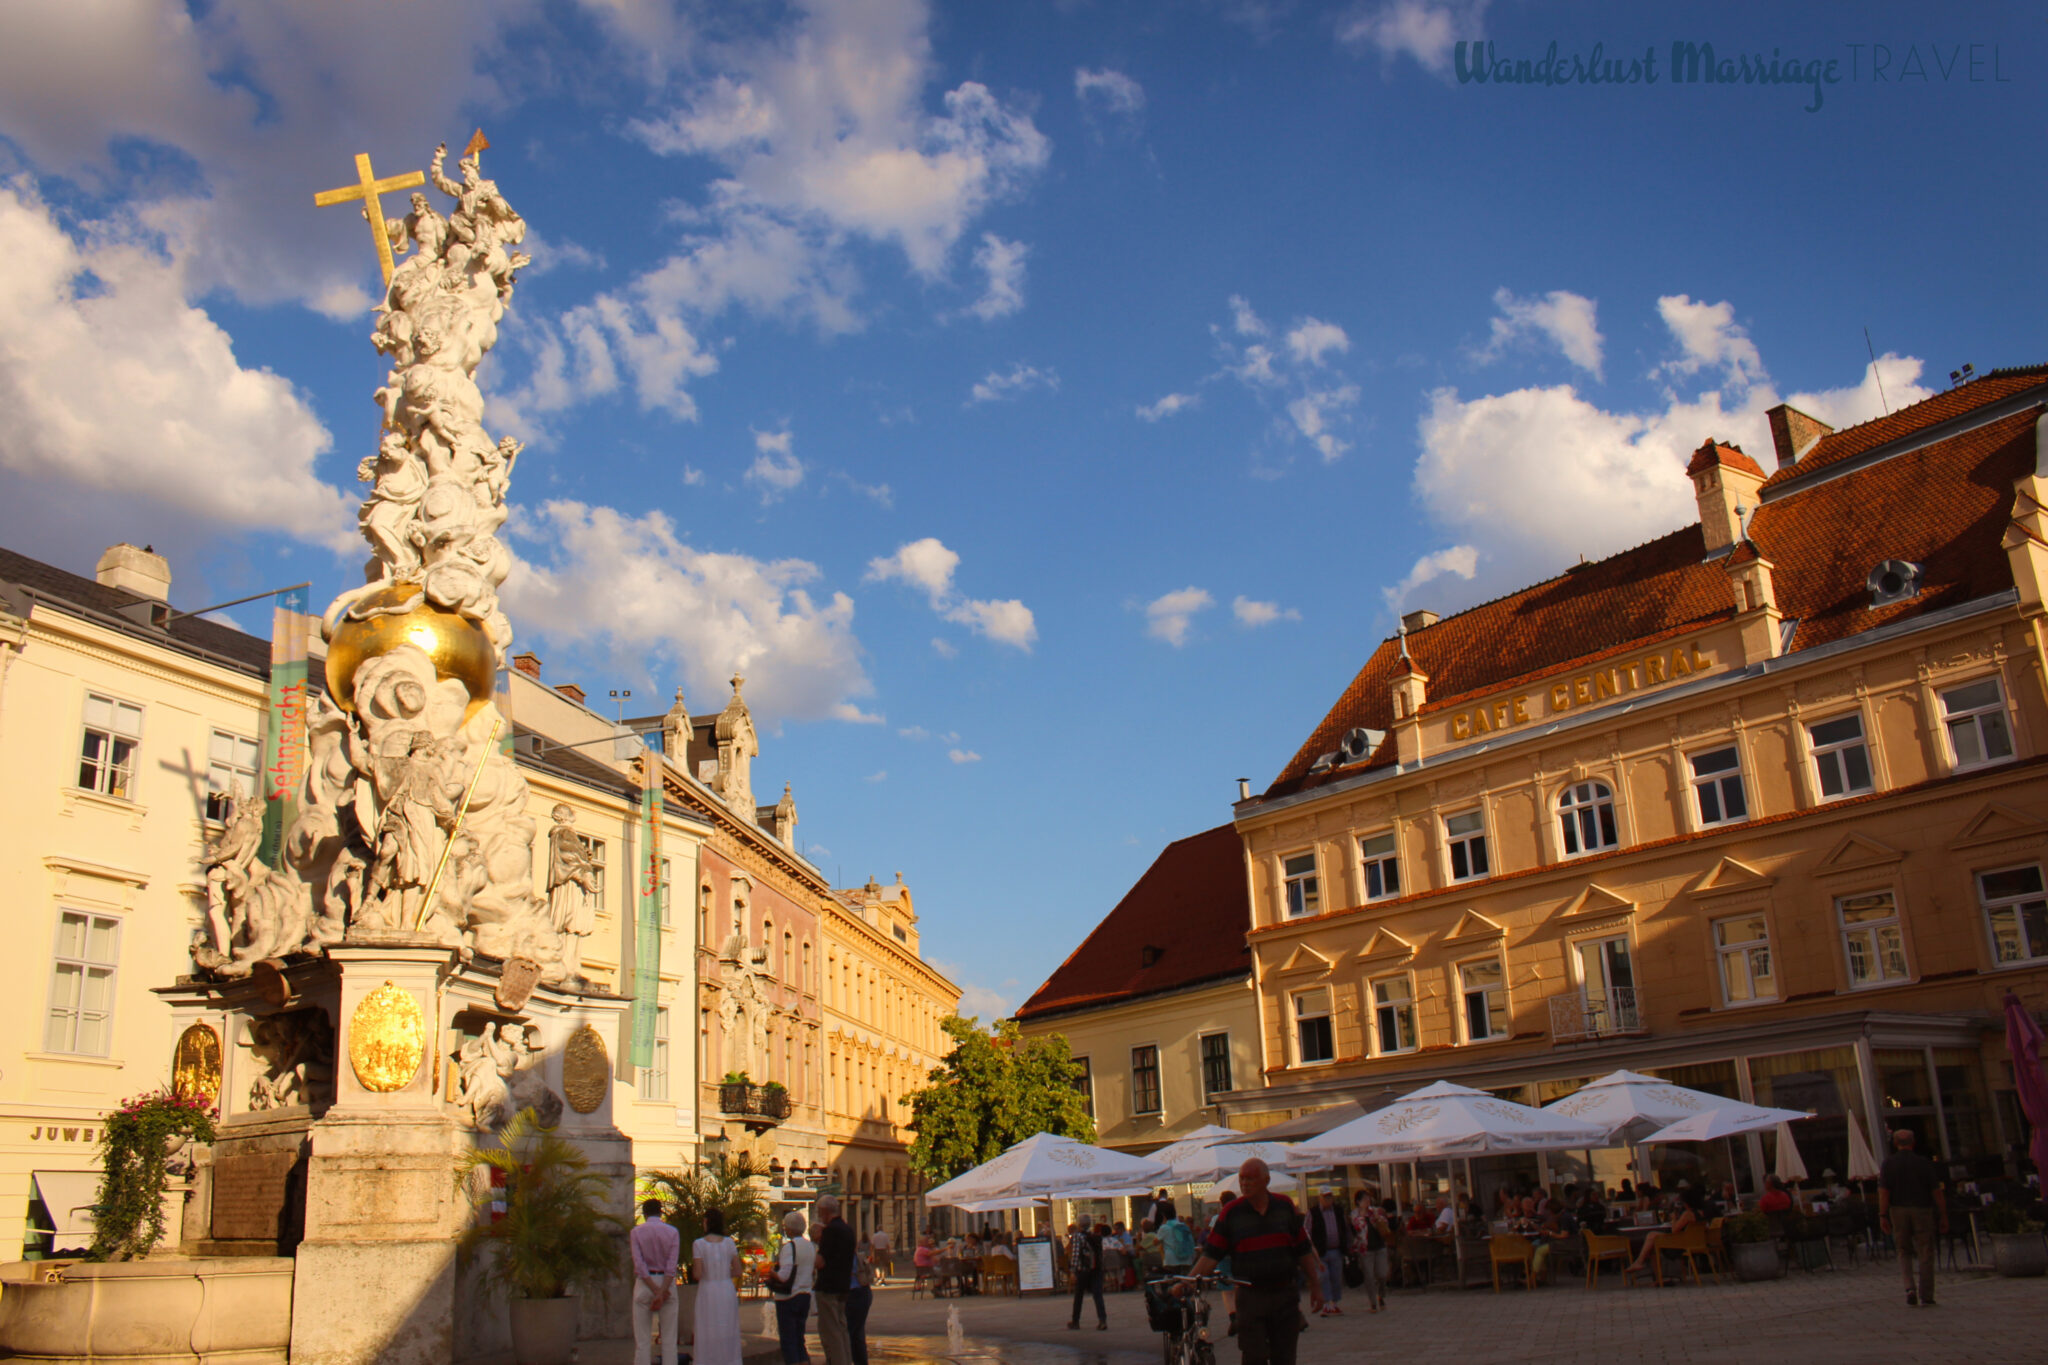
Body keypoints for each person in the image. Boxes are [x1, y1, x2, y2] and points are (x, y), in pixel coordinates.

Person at [1187, 1159, 1322, 1365]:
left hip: (1284, 1294)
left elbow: (1303, 1249)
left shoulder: (1284, 1206)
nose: (1245, 1183)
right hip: (1251, 1296)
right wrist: (1187, 1282)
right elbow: (1211, 1254)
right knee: (1253, 1356)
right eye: (1242, 1179)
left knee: (1285, 1357)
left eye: (1251, 1178)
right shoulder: (1232, 1212)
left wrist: (1315, 1285)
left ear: (1266, 1180)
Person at [1879, 1128, 1948, 1308]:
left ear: (1895, 1143)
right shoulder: (1923, 1163)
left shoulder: (1888, 1164)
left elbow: (1884, 1192)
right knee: (1925, 1250)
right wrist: (1943, 1215)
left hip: (1898, 1210)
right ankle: (1927, 1293)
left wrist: (1883, 1214)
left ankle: (1909, 1287)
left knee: (1903, 1249)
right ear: (1913, 1142)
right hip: (1922, 1209)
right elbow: (1936, 1192)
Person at [631, 1199, 682, 1365]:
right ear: (660, 1212)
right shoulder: (672, 1232)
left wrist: (654, 1290)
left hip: (645, 1284)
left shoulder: (636, 1232)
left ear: (644, 1214)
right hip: (667, 1284)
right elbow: (671, 1266)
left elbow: (639, 1265)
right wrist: (661, 1291)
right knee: (669, 1340)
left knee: (642, 1341)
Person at [691, 1207, 743, 1365]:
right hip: (726, 1288)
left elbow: (698, 1274)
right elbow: (738, 1271)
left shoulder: (699, 1244)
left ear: (706, 1222)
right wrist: (725, 1274)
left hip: (708, 1289)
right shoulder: (729, 1242)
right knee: (727, 1326)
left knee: (707, 1327)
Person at [813, 1196, 857, 1365]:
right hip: (844, 1285)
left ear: (825, 1211)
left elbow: (820, 1262)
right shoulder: (848, 1229)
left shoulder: (830, 1231)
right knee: (842, 1327)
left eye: (820, 1211)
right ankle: (846, 1360)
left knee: (831, 1331)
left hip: (828, 1286)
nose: (819, 1215)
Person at [770, 1210, 817, 1365]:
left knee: (788, 1340)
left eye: (785, 1226)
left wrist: (771, 1273)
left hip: (788, 1297)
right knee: (799, 1338)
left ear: (789, 1228)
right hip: (805, 1294)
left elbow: (784, 1275)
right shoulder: (810, 1246)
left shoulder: (789, 1247)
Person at [1307, 1190, 1352, 1317]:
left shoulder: (1338, 1211)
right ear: (1320, 1198)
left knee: (1336, 1277)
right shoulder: (1313, 1212)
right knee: (1324, 1276)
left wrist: (1348, 1244)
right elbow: (1307, 1231)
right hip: (1320, 1252)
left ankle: (1335, 1303)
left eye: (1330, 1197)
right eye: (1325, 1197)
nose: (1328, 1200)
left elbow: (1345, 1228)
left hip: (1336, 1249)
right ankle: (1327, 1304)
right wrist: (1310, 1247)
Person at [1067, 1214, 1107, 1331]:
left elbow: (1075, 1255)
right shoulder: (1094, 1236)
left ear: (1079, 1224)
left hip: (1083, 1270)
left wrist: (1073, 1271)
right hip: (1096, 1269)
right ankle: (1102, 1320)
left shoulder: (1077, 1236)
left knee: (1078, 1296)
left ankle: (1075, 1321)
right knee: (1097, 1295)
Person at [848, 1235, 875, 1365]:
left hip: (854, 1294)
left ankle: (854, 1359)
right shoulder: (860, 1257)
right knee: (857, 1331)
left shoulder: (846, 1259)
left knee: (852, 1331)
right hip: (863, 1292)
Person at [1159, 1202, 1197, 1278]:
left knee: (1171, 1280)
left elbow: (1156, 1241)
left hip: (1171, 1260)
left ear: (1164, 1216)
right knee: (1185, 1280)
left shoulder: (1164, 1227)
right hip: (1186, 1258)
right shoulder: (1183, 1226)